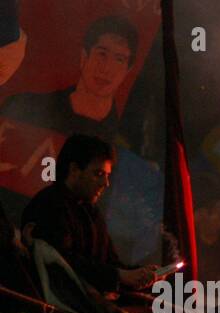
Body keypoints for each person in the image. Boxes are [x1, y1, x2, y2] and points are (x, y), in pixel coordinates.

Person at [21, 134, 152, 295]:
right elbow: (62, 263)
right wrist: (119, 276)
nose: (106, 183)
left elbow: (110, 262)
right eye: (98, 174)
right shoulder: (49, 205)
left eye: (107, 175)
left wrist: (140, 274)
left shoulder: (91, 212)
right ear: (74, 170)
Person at [1, 15, 138, 140]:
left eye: (119, 59)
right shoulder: (26, 106)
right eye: (102, 54)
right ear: (84, 56)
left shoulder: (117, 142)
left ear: (128, 70)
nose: (106, 68)